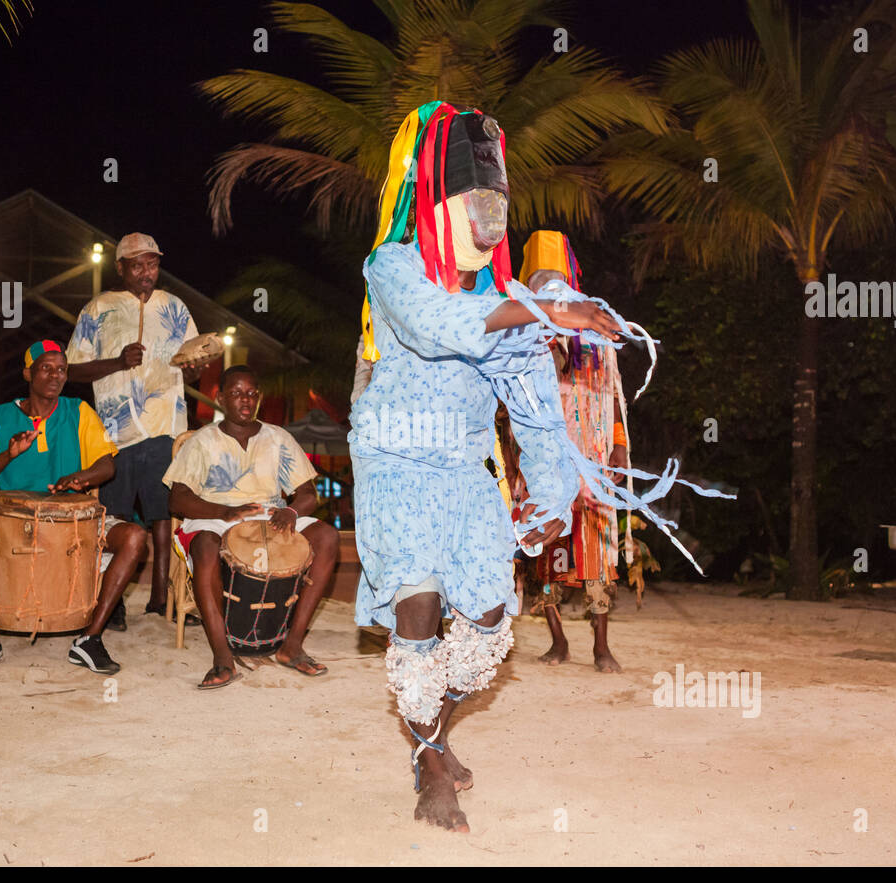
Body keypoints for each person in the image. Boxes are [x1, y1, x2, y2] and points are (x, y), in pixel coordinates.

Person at [351, 102, 630, 833]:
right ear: (440, 203)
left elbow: (537, 412)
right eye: (475, 200)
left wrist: (554, 493)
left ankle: (432, 738)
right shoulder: (394, 265)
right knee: (417, 607)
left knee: (483, 628)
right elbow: (438, 327)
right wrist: (543, 311)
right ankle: (429, 770)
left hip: (466, 472)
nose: (489, 215)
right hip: (394, 458)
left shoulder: (509, 303)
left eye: (497, 202)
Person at [0, 340, 147, 677]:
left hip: (73, 521)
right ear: (27, 373)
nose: (56, 375)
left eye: (61, 369)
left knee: (134, 536)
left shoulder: (79, 412)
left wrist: (79, 477)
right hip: (4, 522)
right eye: (46, 368)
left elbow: (107, 467)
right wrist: (9, 454)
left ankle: (89, 639)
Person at [66, 232, 214, 631]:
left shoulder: (176, 307)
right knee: (114, 514)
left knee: (164, 512)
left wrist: (196, 365)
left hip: (166, 425)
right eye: (137, 265)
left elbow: (191, 355)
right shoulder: (98, 309)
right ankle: (111, 603)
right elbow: (71, 370)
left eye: (152, 263)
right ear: (120, 268)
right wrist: (116, 362)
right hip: (115, 431)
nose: (147, 272)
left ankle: (160, 597)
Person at [165, 365, 339, 689]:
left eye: (251, 393)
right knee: (204, 546)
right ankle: (222, 659)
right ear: (220, 398)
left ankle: (292, 646)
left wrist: (289, 509)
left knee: (328, 537)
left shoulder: (278, 438)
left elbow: (307, 495)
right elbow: (178, 499)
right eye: (236, 393)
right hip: (215, 514)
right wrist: (225, 511)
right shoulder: (203, 441)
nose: (245, 400)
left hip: (269, 512)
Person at [518, 230, 630, 673]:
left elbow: (613, 394)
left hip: (594, 456)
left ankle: (601, 646)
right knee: (544, 550)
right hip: (540, 458)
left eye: (555, 279)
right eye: (540, 280)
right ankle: (558, 641)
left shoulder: (594, 330)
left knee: (598, 549)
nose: (549, 285)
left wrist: (619, 446)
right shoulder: (524, 331)